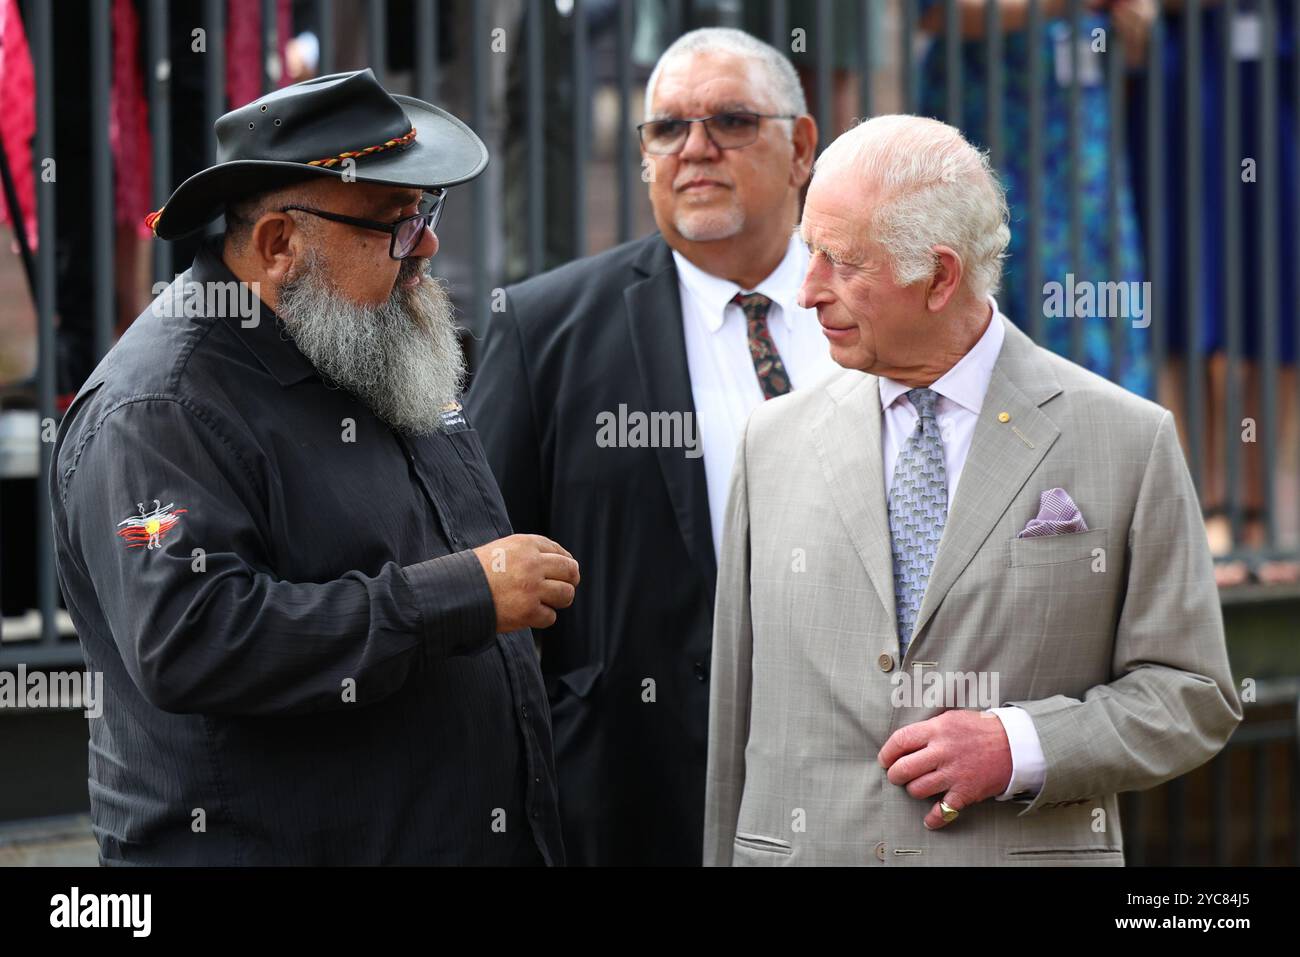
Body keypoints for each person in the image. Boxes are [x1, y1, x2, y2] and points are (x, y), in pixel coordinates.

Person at [48, 69, 580, 865]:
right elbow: (193, 640)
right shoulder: (157, 408)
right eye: (395, 222)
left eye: (427, 212)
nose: (426, 244)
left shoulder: (365, 333)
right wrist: (464, 594)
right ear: (278, 245)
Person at [705, 114, 1241, 866]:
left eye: (842, 262)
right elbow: (735, 713)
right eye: (809, 251)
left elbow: (1193, 694)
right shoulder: (770, 441)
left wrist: (1018, 747)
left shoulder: (1129, 440)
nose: (807, 291)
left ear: (940, 277)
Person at [467, 28, 832, 865]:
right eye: (667, 128)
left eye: (731, 120)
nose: (695, 148)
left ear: (801, 146)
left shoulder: (871, 309)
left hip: (854, 784)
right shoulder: (545, 330)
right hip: (628, 795)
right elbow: (481, 573)